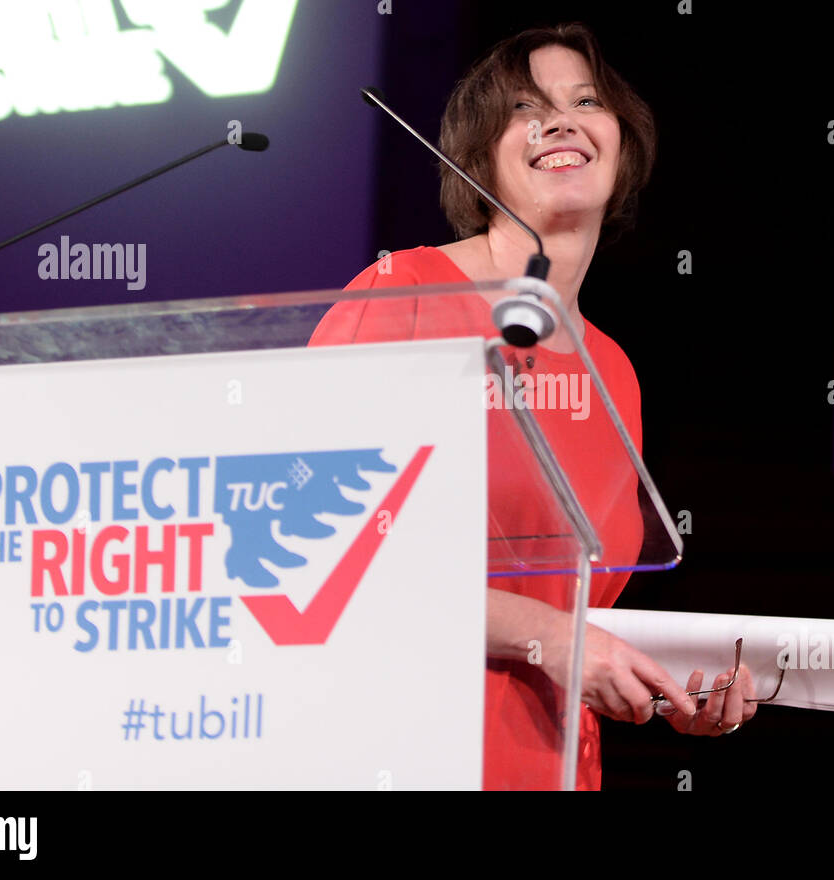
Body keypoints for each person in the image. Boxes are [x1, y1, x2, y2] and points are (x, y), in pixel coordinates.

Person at [309, 23, 757, 790]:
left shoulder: (613, 369)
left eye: (586, 100)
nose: (561, 119)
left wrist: (664, 680)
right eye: (526, 107)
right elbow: (320, 558)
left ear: (623, 146)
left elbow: (576, 612)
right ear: (478, 157)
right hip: (401, 756)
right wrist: (553, 639)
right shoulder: (404, 296)